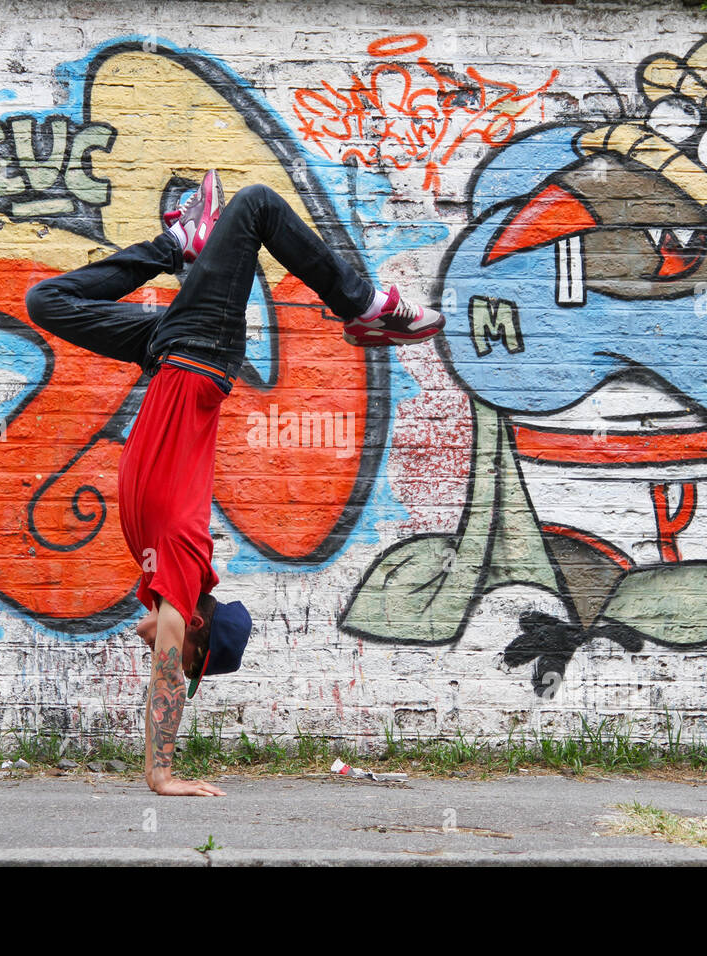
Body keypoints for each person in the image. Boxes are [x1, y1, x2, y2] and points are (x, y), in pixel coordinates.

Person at [25, 172, 444, 796]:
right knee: (256, 206)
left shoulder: (155, 576)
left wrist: (170, 635)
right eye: (190, 661)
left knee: (44, 302)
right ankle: (363, 306)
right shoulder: (184, 573)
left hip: (168, 354)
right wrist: (161, 774)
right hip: (201, 349)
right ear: (194, 629)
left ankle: (176, 248)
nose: (165, 652)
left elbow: (156, 642)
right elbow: (167, 667)